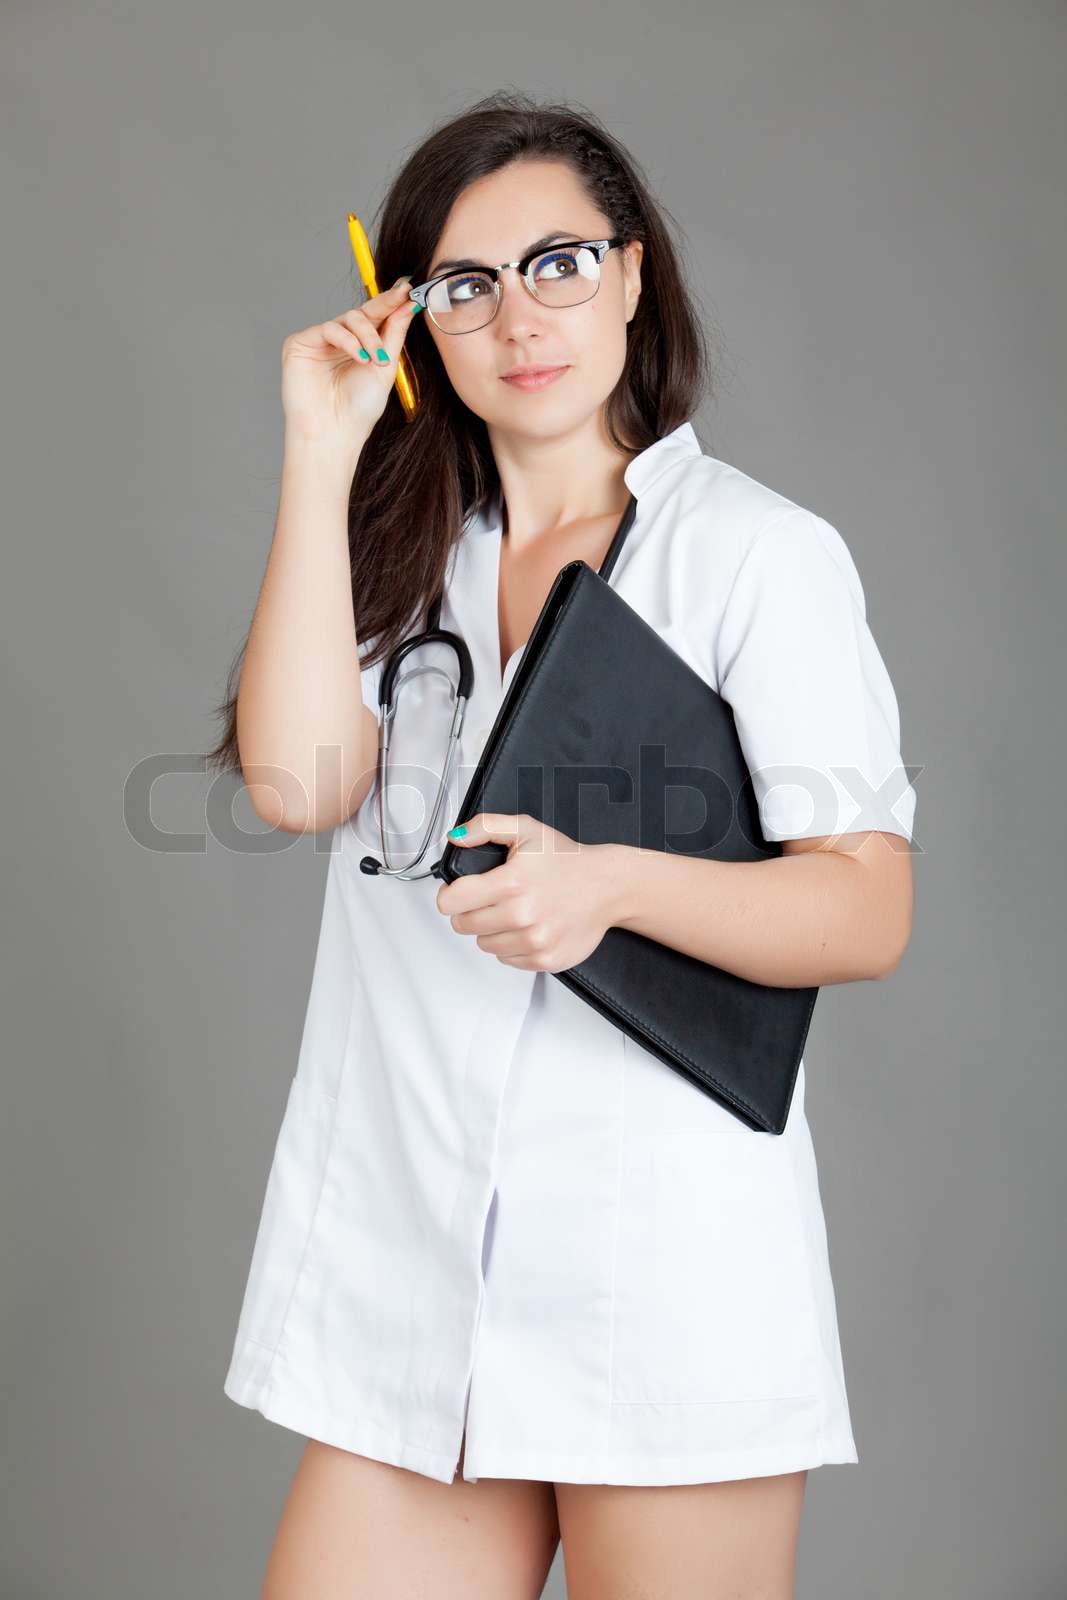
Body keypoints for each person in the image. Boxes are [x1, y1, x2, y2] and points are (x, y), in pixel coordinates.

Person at [206, 91, 916, 1600]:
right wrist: (320, 457)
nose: (520, 317)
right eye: (465, 286)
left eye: (560, 264)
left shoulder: (753, 556)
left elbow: (867, 909)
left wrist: (610, 887)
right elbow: (296, 782)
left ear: (635, 275)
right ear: (414, 322)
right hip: (411, 1285)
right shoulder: (403, 565)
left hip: (654, 1283)